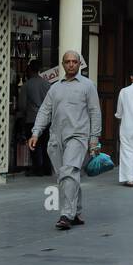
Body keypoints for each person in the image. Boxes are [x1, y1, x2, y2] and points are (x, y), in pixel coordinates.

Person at [29, 49, 102, 231]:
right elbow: (45, 111)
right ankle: (76, 211)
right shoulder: (55, 88)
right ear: (63, 64)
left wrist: (94, 139)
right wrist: (36, 132)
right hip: (56, 138)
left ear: (79, 64)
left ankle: (66, 215)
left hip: (78, 137)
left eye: (74, 62)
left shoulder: (87, 85)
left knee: (69, 171)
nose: (71, 64)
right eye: (67, 62)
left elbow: (95, 112)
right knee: (66, 175)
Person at [21, 60, 52, 177]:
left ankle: (37, 168)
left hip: (32, 118)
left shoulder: (26, 85)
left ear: (29, 70)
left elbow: (22, 105)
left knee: (33, 145)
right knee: (45, 145)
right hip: (47, 119)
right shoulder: (47, 84)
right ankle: (47, 168)